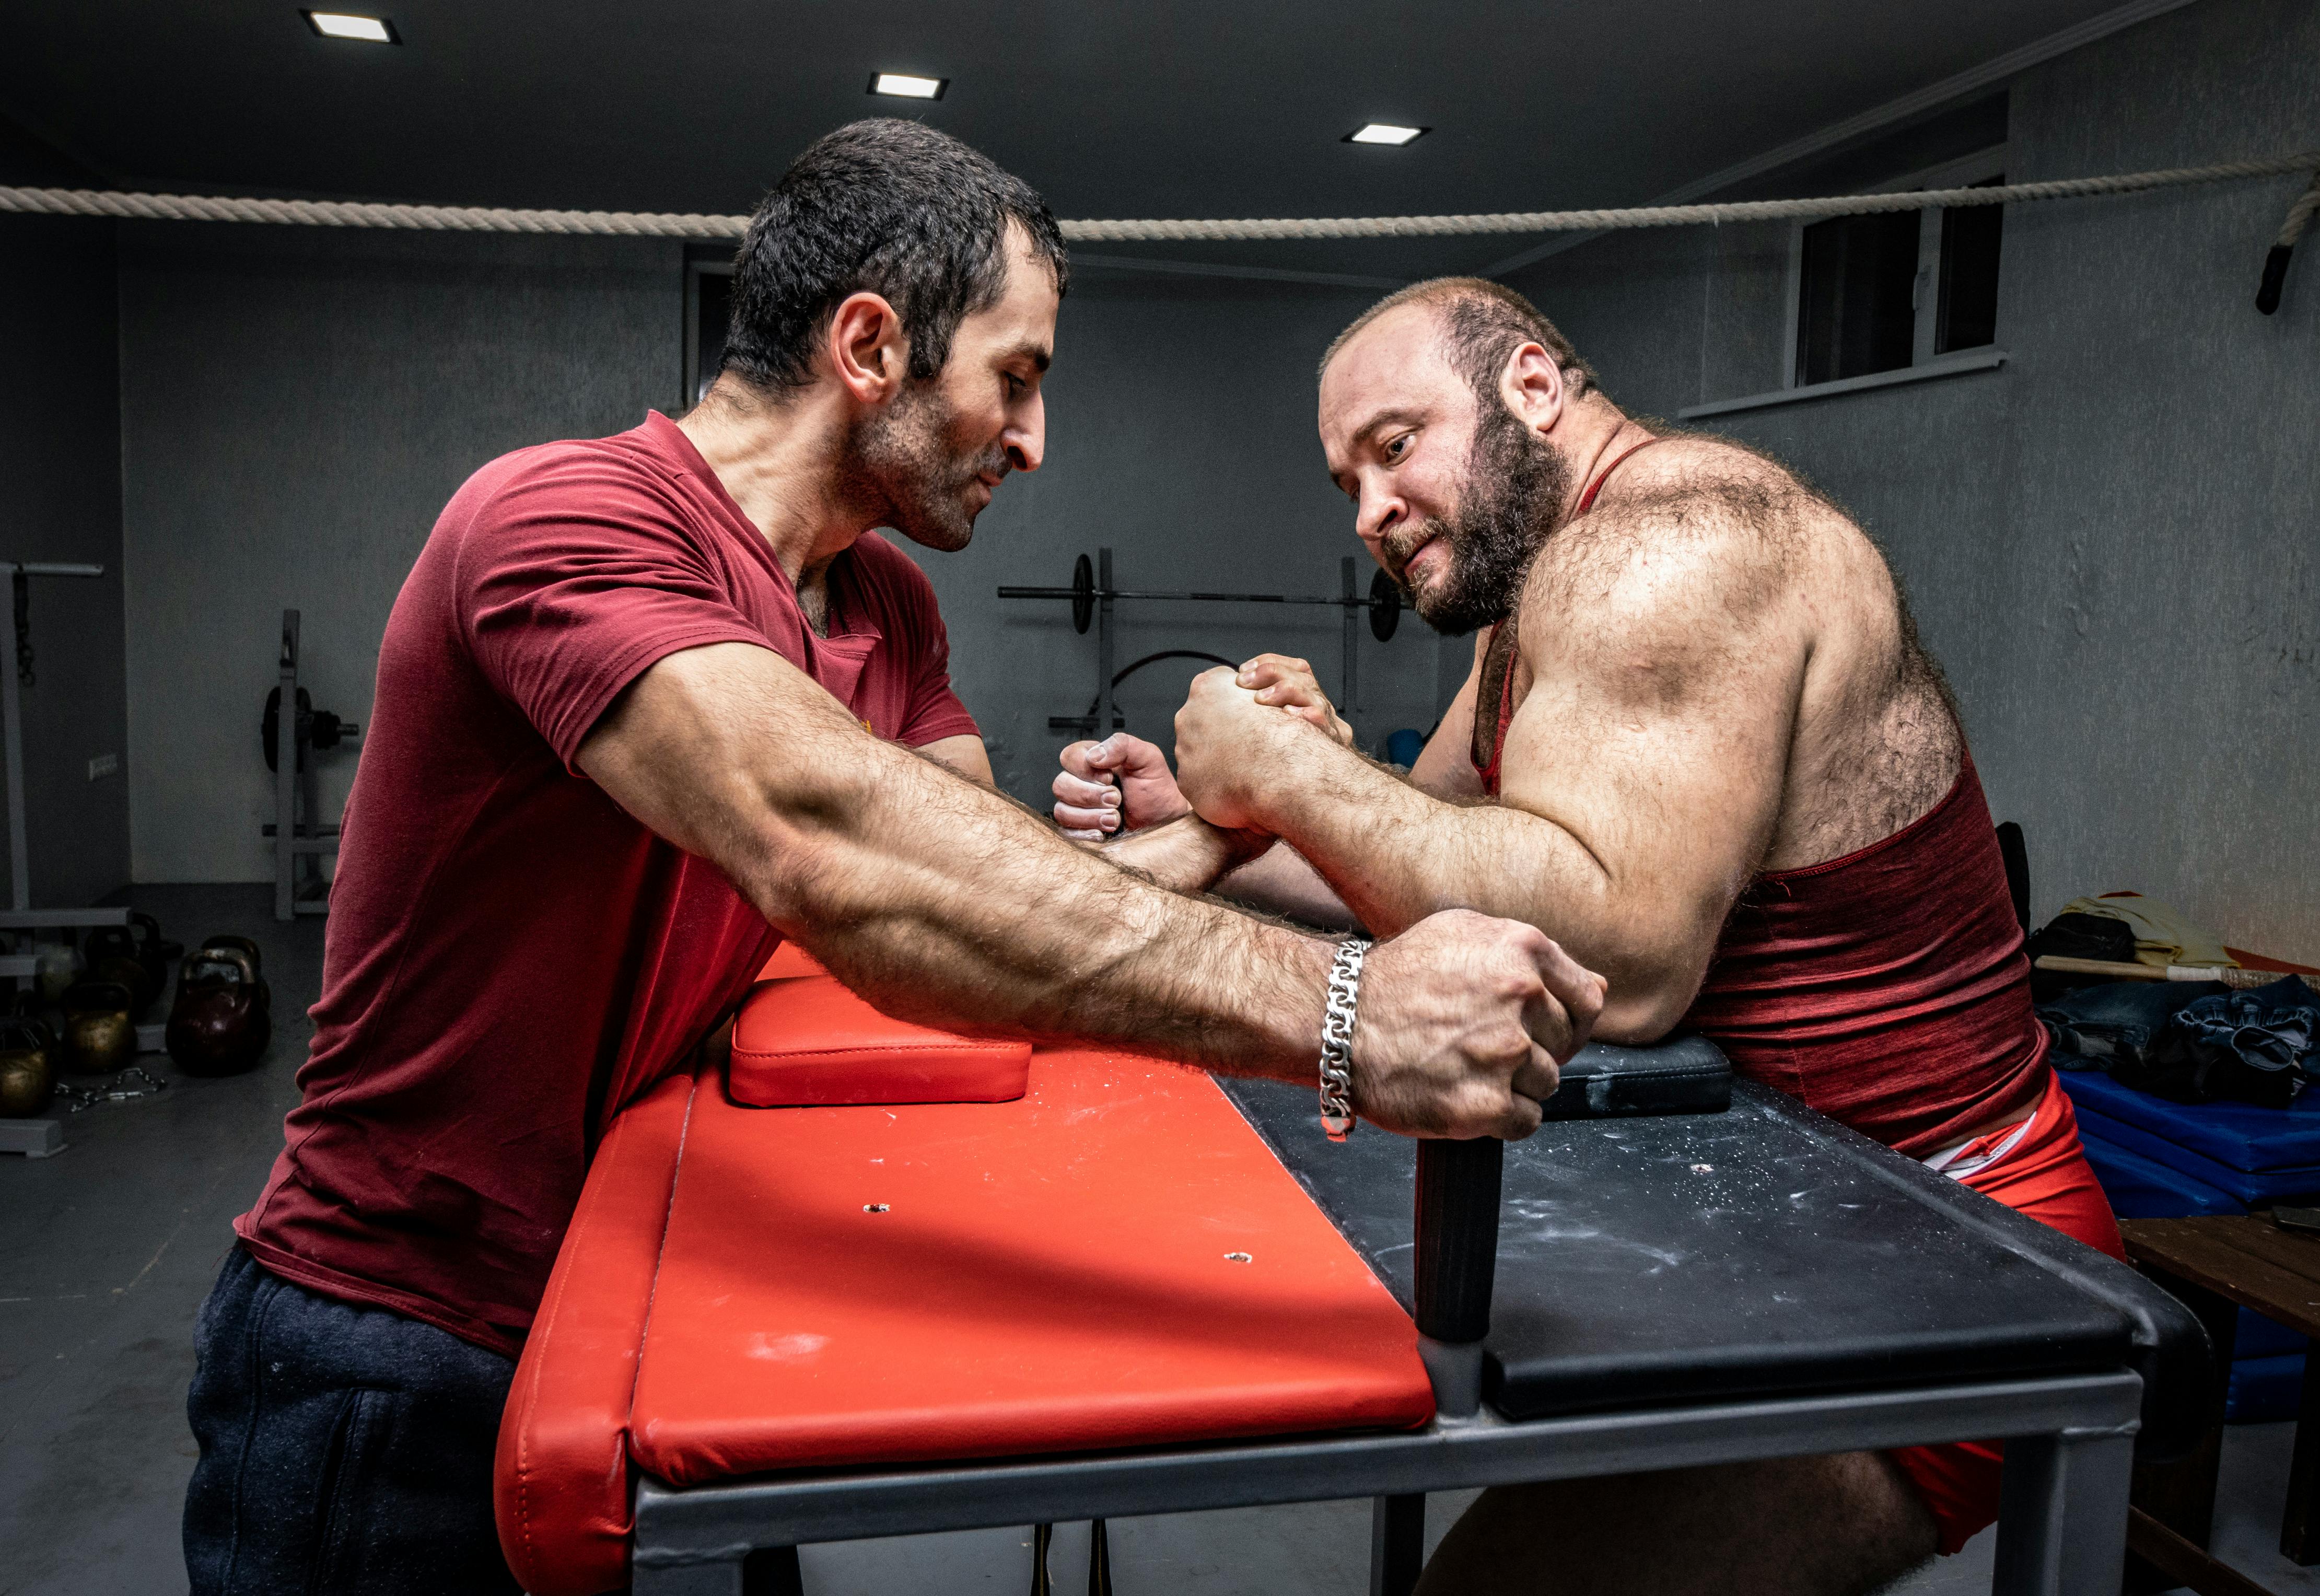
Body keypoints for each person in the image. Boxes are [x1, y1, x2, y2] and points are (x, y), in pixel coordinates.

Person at [184, 134, 1603, 1594]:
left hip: (653, 1279)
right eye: (1016, 375)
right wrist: (1347, 1016)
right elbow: (844, 853)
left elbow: (976, 897)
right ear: (869, 344)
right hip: (395, 1337)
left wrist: (1230, 822)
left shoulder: (883, 606)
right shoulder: (563, 520)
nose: (1032, 438)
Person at [1053, 277, 2124, 1593]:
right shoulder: (1535, 591)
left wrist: (1280, 773)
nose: (1370, 512)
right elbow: (1423, 848)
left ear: (1532, 387)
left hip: (1949, 1255)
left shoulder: (1668, 551)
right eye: (1345, 481)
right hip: (1760, 1222)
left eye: (1394, 447)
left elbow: (1616, 959)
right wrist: (1221, 814)